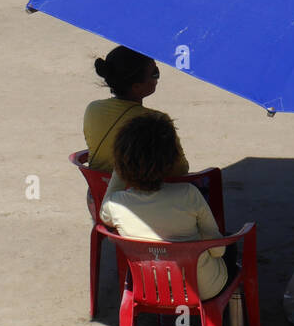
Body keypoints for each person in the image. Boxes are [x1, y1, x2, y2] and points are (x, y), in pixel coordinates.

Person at [101, 114, 233, 300]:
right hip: (202, 290)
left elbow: (104, 214)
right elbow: (218, 250)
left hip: (148, 289)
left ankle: (169, 322)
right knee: (230, 250)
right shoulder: (188, 194)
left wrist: (121, 167)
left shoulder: (116, 204)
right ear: (172, 159)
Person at [84, 46, 188, 182]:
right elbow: (180, 169)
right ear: (136, 87)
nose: (157, 77)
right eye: (155, 73)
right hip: (143, 196)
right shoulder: (157, 121)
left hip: (100, 191)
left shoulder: (93, 109)